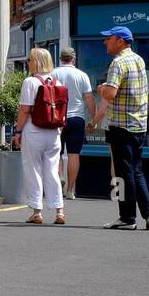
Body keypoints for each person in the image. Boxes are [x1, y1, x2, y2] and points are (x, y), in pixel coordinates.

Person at [90, 26, 149, 230]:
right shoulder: (138, 60)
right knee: (137, 171)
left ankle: (127, 218)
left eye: (108, 39)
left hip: (121, 126)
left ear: (120, 41)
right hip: (139, 125)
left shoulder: (117, 63)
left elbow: (109, 94)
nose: (104, 42)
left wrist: (101, 87)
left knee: (122, 174)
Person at [13, 48, 66, 225]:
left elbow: (24, 109)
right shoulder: (57, 82)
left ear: (36, 62)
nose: (28, 62)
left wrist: (18, 131)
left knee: (33, 169)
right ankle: (59, 211)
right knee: (52, 170)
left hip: (33, 131)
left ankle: (37, 212)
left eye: (30, 59)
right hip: (53, 132)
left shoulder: (30, 82)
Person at [51, 47, 96, 199]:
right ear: (74, 59)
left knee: (57, 153)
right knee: (74, 154)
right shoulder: (82, 75)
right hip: (77, 119)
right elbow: (89, 99)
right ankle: (70, 190)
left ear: (60, 59)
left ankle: (59, 181)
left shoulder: (53, 74)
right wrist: (94, 119)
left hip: (58, 118)